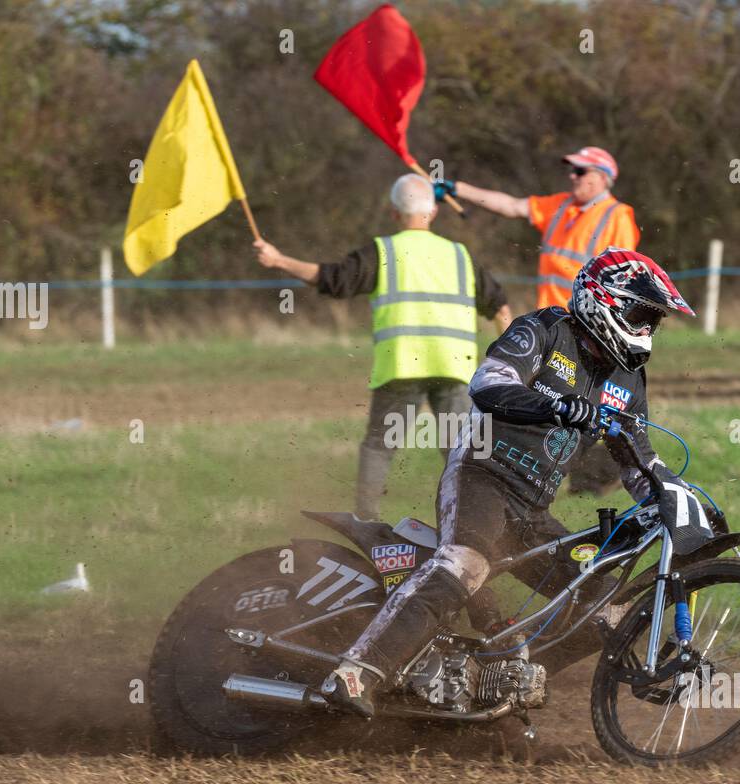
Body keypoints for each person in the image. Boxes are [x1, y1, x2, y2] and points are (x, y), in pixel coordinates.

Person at [320, 248, 704, 718]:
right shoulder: (543, 330)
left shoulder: (628, 378)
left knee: (602, 601)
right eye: (640, 313)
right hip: (481, 475)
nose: (646, 328)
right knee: (465, 563)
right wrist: (554, 406)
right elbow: (487, 382)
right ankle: (356, 672)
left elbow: (636, 460)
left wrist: (672, 496)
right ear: (603, 301)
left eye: (653, 320)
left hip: (533, 507)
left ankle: (500, 684)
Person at [255, 174, 512, 520]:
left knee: (380, 445)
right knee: (460, 450)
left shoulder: (382, 252)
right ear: (434, 211)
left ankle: (365, 519)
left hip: (402, 367)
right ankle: (476, 520)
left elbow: (330, 278)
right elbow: (500, 308)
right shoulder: (460, 255)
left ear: (394, 213)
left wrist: (279, 260)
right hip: (454, 368)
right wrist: (508, 370)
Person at [435, 147, 643, 495]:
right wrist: (457, 188)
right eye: (571, 170)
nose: (572, 176)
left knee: (586, 413)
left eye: (580, 171)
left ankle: (574, 482)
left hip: (589, 334)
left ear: (603, 177)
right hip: (553, 327)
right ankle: (501, 478)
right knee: (533, 405)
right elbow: (513, 206)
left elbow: (625, 275)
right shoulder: (560, 205)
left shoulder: (618, 216)